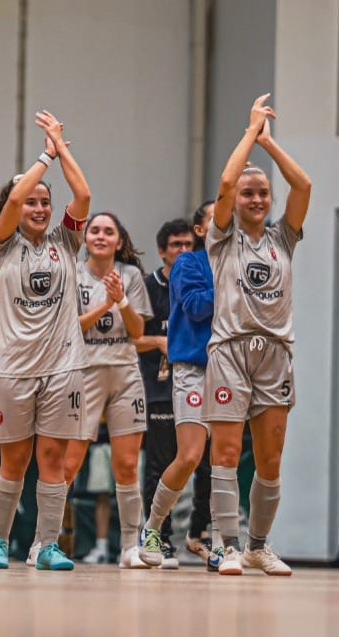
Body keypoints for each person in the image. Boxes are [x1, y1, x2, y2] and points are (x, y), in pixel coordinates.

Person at [0, 110, 91, 571]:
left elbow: (82, 194)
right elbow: (13, 202)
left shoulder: (66, 242)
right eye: (31, 202)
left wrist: (61, 147)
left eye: (45, 202)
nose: (40, 208)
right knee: (13, 462)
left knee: (53, 460)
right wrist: (42, 155)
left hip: (63, 366)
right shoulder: (2, 243)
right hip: (12, 367)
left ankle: (46, 545)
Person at [204, 94, 310, 576]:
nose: (256, 199)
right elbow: (226, 181)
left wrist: (269, 144)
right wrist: (249, 134)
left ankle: (257, 545)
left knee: (270, 460)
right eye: (250, 194)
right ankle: (226, 545)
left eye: (263, 193)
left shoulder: (283, 237)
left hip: (275, 354)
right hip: (229, 351)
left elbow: (303, 184)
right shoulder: (222, 238)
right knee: (225, 453)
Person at [60, 212, 152, 568]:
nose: (100, 235)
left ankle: (130, 546)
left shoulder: (130, 276)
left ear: (119, 240)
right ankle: (46, 540)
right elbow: (70, 327)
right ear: (85, 239)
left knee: (127, 464)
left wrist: (123, 301)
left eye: (108, 231)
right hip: (85, 370)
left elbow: (137, 330)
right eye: (94, 230)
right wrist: (107, 303)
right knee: (70, 463)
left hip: (125, 370)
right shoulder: (73, 273)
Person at [141, 202, 221, 570]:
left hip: (234, 367)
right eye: (218, 215)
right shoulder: (190, 262)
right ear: (202, 229)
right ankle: (153, 527)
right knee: (188, 457)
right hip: (192, 366)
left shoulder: (243, 258)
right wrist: (233, 282)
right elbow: (196, 306)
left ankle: (223, 541)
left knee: (224, 460)